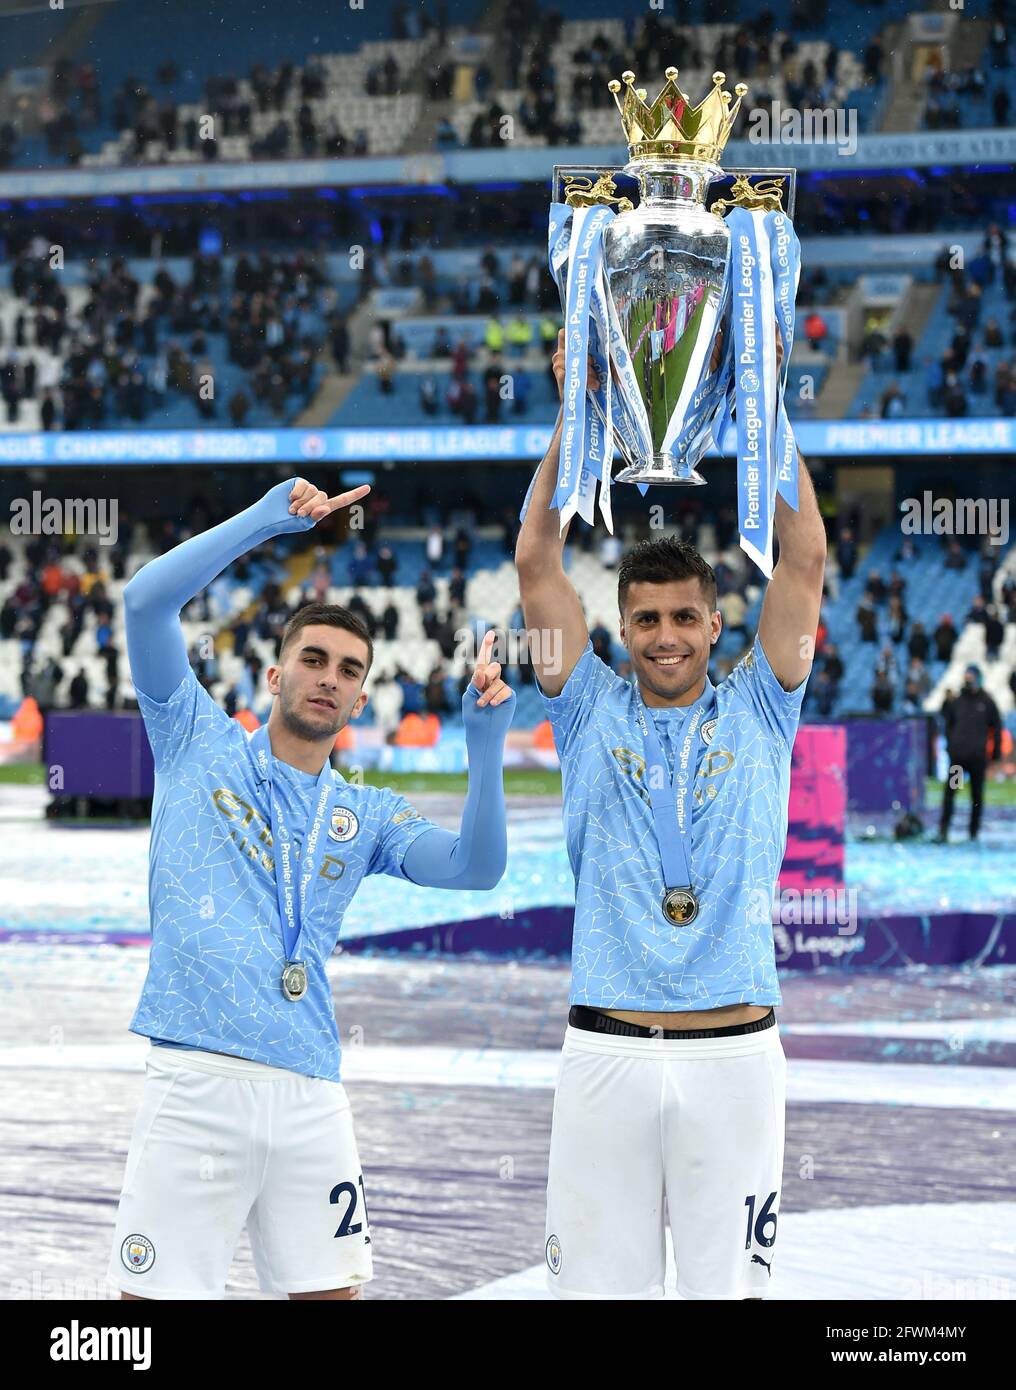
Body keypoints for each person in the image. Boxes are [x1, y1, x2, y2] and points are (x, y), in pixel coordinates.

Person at [107, 477, 515, 1302]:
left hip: (310, 1095)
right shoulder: (195, 740)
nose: (330, 678)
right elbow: (146, 604)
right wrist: (265, 522)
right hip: (197, 1083)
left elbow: (475, 866)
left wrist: (485, 747)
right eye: (314, 659)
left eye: (349, 670)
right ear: (273, 674)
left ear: (363, 695)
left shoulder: (364, 815)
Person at [515, 329, 825, 1300]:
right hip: (604, 1048)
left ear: (714, 622)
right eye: (644, 619)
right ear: (620, 626)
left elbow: (804, 556)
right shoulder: (586, 705)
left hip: (732, 1056)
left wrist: (762, 399)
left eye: (683, 617)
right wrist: (577, 416)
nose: (663, 637)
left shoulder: (760, 703)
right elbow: (534, 557)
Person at [937, 664, 1001, 843]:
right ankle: (944, 829)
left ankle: (973, 832)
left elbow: (996, 728)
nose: (968, 682)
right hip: (958, 759)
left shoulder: (987, 702)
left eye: (971, 678)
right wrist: (951, 747)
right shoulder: (957, 701)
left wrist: (994, 754)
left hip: (976, 760)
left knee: (976, 796)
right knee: (951, 793)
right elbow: (947, 722)